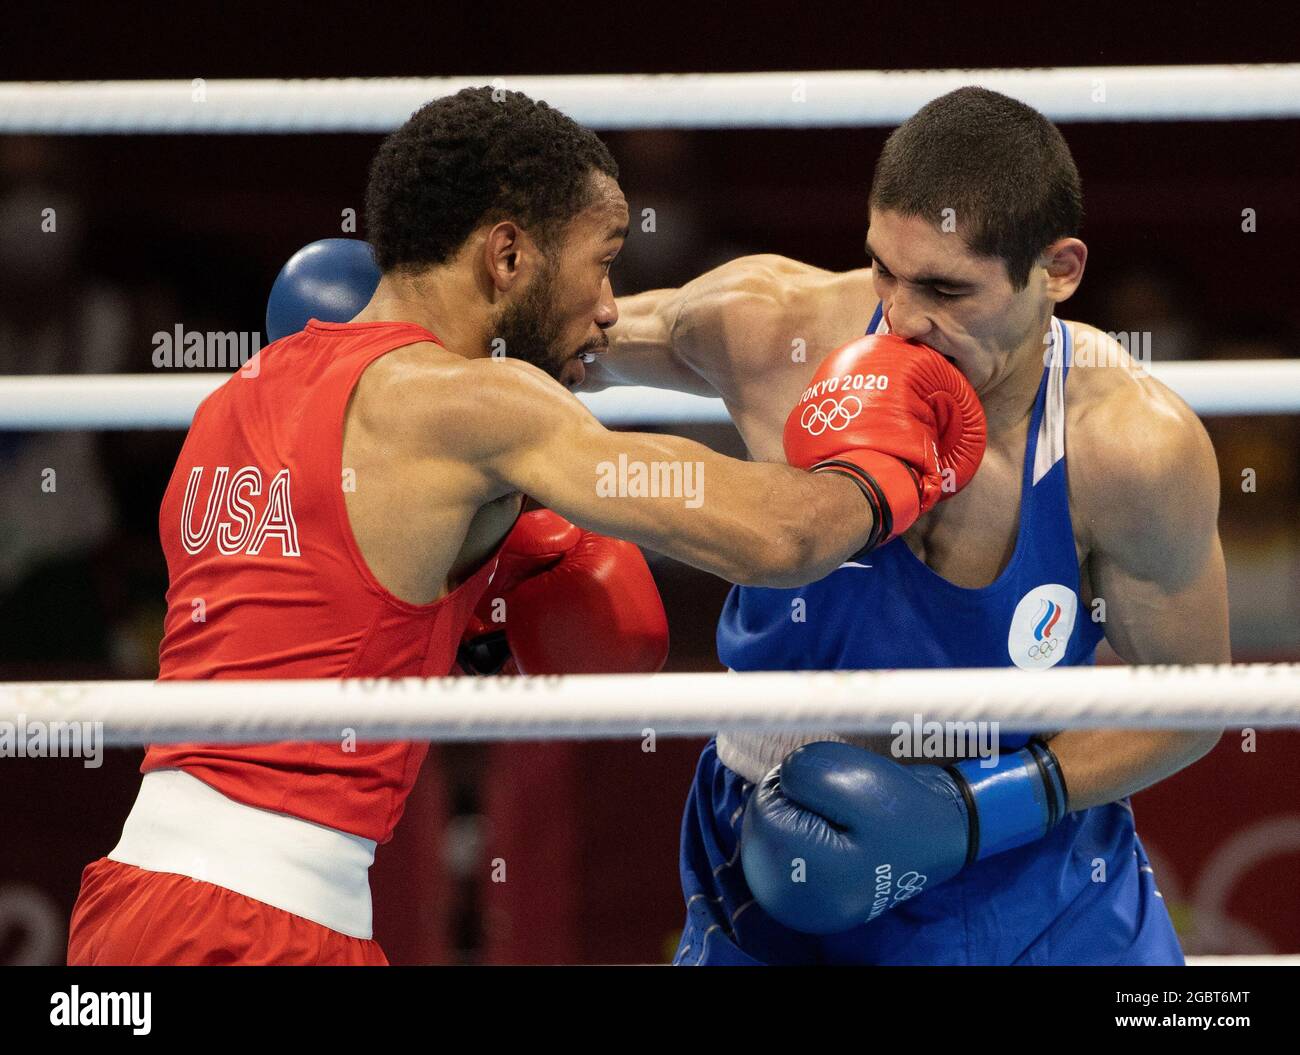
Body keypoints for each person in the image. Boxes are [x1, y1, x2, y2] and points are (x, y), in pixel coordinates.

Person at [66, 87, 982, 966]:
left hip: (129, 900)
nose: (612, 306)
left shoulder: (236, 402)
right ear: (508, 256)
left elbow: (313, 608)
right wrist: (892, 462)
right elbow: (779, 540)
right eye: (602, 258)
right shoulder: (480, 404)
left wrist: (471, 608)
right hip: (257, 930)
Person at [592, 86, 1230, 965]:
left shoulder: (1130, 445)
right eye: (885, 269)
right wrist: (392, 320)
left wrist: (980, 807)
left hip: (1036, 862)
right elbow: (557, 343)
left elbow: (1194, 703)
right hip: (779, 843)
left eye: (945, 287)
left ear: (1060, 270)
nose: (901, 315)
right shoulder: (775, 330)